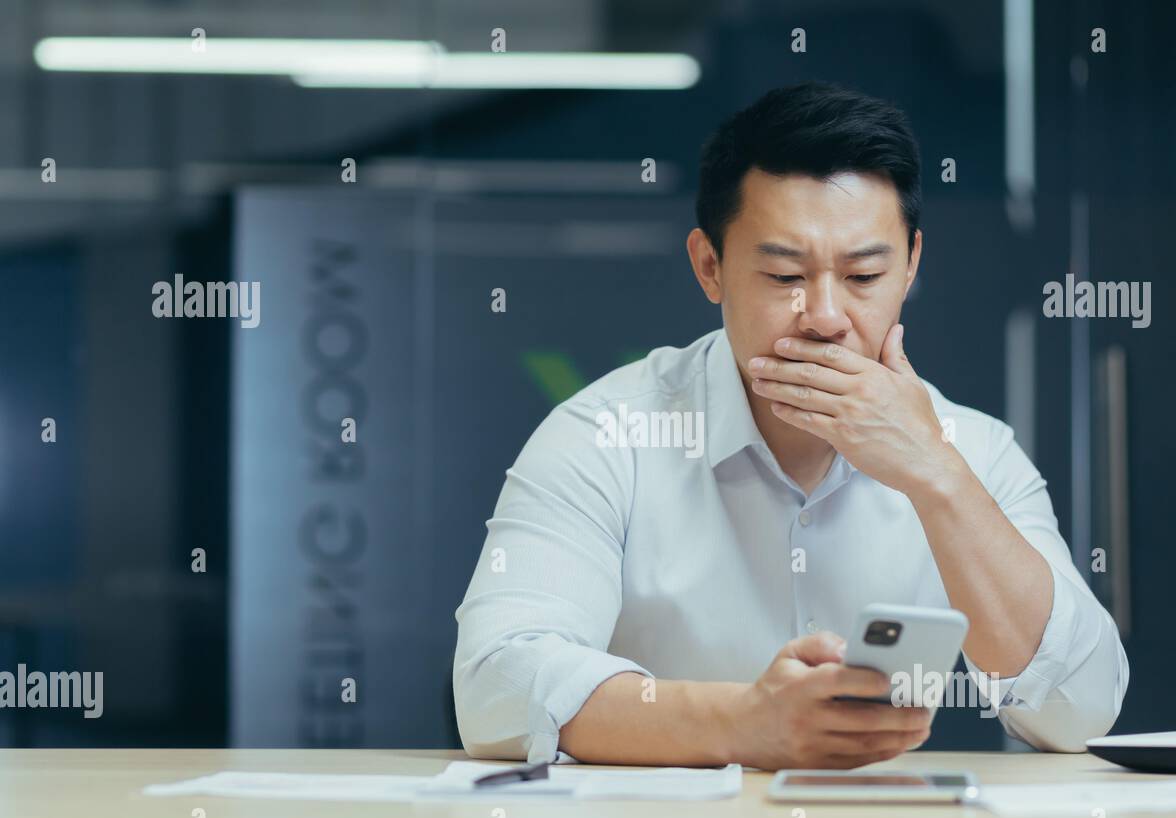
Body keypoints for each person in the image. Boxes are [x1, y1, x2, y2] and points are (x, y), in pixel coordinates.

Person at [453, 81, 1129, 769]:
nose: (826, 317)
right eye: (783, 277)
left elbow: (1081, 707)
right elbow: (495, 685)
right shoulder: (606, 435)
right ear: (709, 266)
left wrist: (937, 477)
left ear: (911, 265)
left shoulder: (973, 452)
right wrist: (743, 724)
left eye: (865, 276)